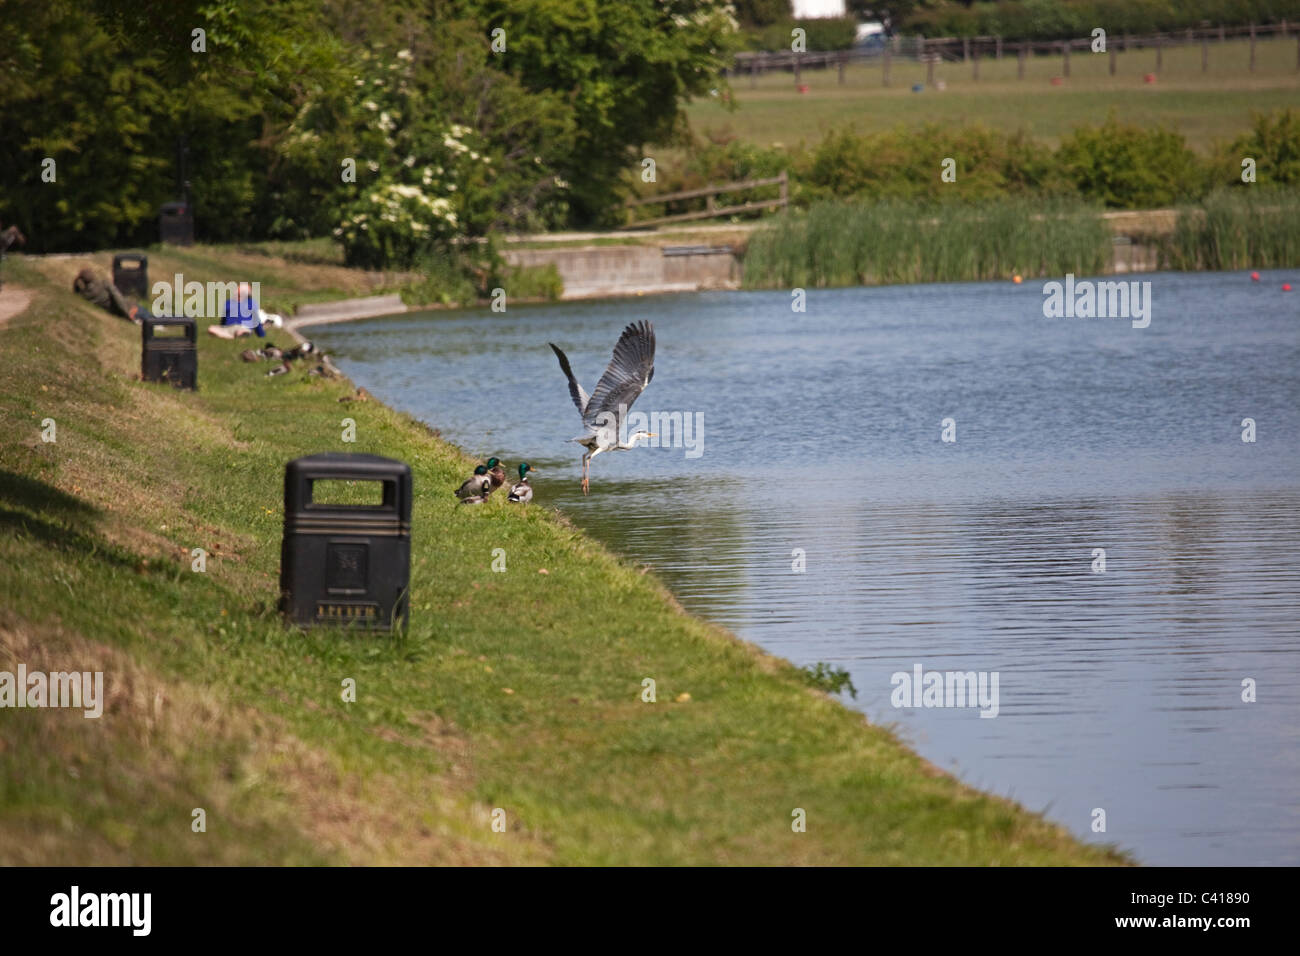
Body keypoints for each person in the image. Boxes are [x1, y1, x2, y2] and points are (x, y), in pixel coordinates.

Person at [73, 267, 150, 323]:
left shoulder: (85, 296)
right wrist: (128, 316)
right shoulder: (104, 284)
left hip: (120, 313)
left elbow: (75, 293)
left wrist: (76, 280)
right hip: (131, 309)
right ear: (93, 276)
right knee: (156, 319)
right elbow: (118, 299)